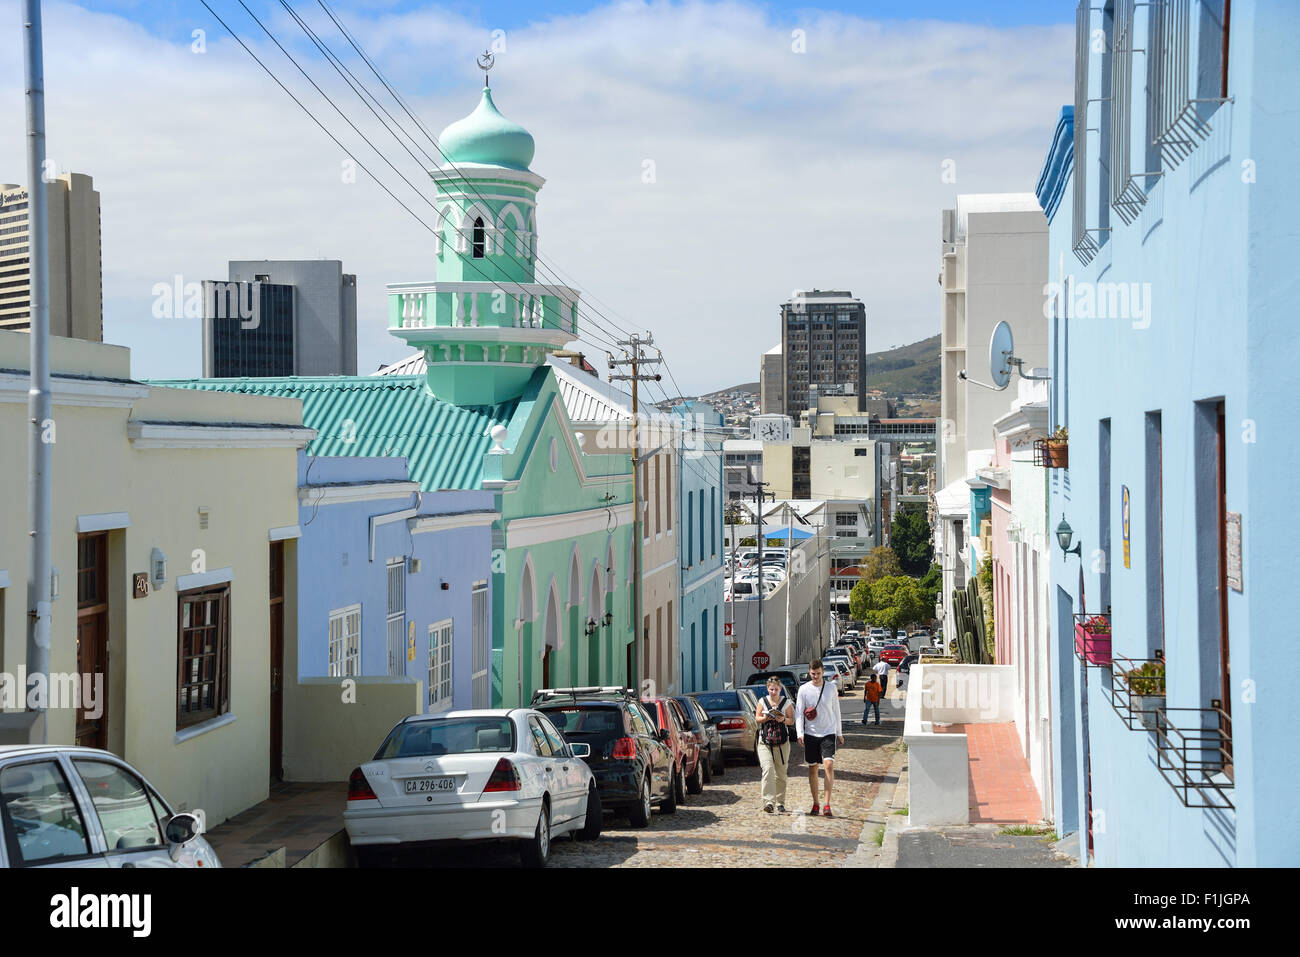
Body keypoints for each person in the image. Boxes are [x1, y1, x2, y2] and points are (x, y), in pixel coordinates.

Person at [795, 658, 844, 817]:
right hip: (811, 733)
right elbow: (799, 713)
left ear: (823, 672)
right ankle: (816, 803)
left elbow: (836, 711)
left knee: (829, 765)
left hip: (828, 732)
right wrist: (800, 733)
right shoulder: (803, 690)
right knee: (813, 768)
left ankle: (827, 804)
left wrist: (839, 732)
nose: (815, 676)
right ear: (809, 673)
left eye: (818, 673)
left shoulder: (831, 688)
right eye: (812, 674)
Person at [755, 675, 795, 813]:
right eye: (771, 689)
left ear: (780, 689)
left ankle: (780, 802)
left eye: (776, 689)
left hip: (782, 742)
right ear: (767, 689)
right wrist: (765, 718)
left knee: (781, 773)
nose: (773, 692)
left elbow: (792, 720)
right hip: (765, 742)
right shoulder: (762, 701)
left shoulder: (786, 702)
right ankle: (768, 802)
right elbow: (757, 718)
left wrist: (783, 719)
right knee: (768, 769)